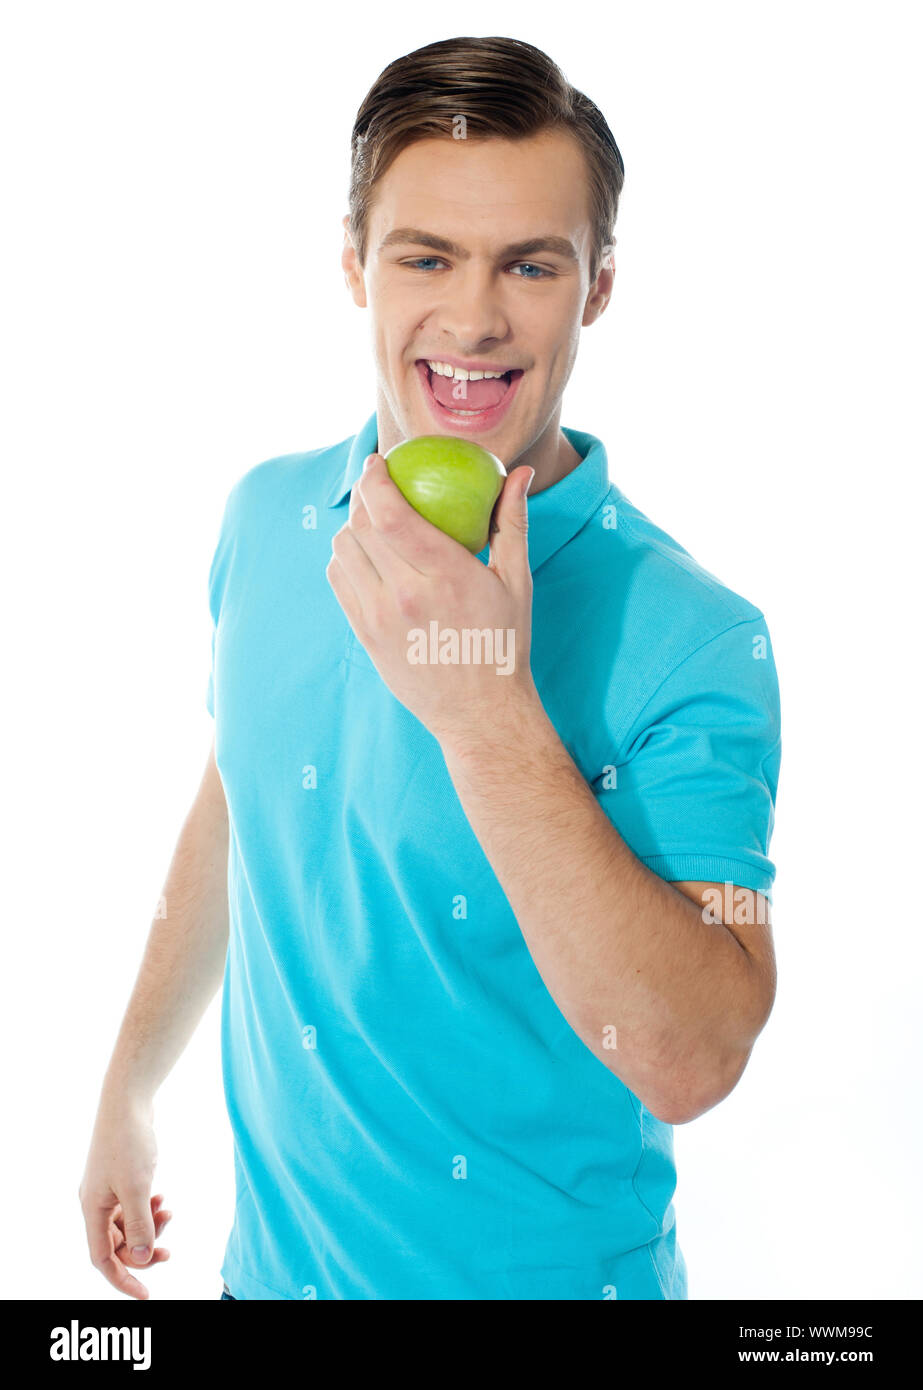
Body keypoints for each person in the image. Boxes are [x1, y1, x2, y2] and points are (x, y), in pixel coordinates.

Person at [79, 35, 781, 1302]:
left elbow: (693, 1057)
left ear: (597, 285)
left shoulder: (693, 636)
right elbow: (238, 803)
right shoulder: (268, 518)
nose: (471, 318)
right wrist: (128, 1089)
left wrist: (487, 714)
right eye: (425, 257)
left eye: (529, 263)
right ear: (353, 262)